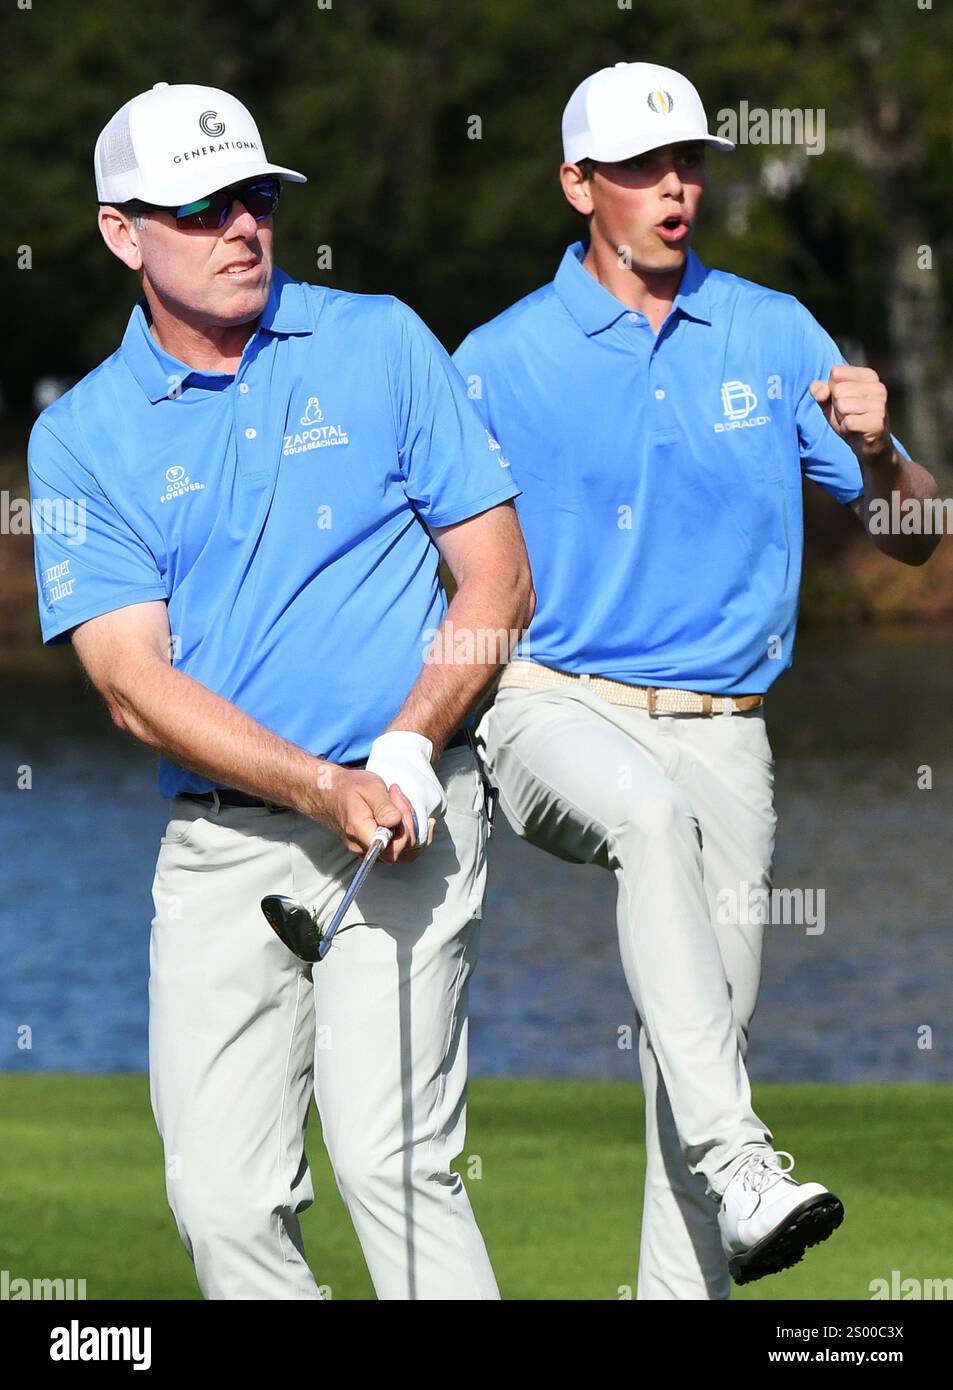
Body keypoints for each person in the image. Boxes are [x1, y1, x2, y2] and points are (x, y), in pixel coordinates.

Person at [27, 81, 534, 1301]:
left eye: (254, 196)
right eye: (199, 207)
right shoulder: (84, 437)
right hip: (225, 842)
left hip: (409, 814)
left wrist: (408, 745)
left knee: (390, 1160)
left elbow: (497, 581)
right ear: (120, 232)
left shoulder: (378, 341)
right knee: (220, 1199)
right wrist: (318, 783)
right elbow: (134, 687)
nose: (242, 226)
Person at [453, 61, 939, 1300]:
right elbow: (429, 564)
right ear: (578, 185)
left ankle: (711, 1219)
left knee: (700, 1048)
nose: (674, 190)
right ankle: (742, 1155)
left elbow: (915, 537)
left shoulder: (773, 330)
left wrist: (881, 446)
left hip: (727, 732)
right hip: (549, 706)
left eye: (688, 165)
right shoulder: (498, 359)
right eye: (638, 171)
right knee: (645, 820)